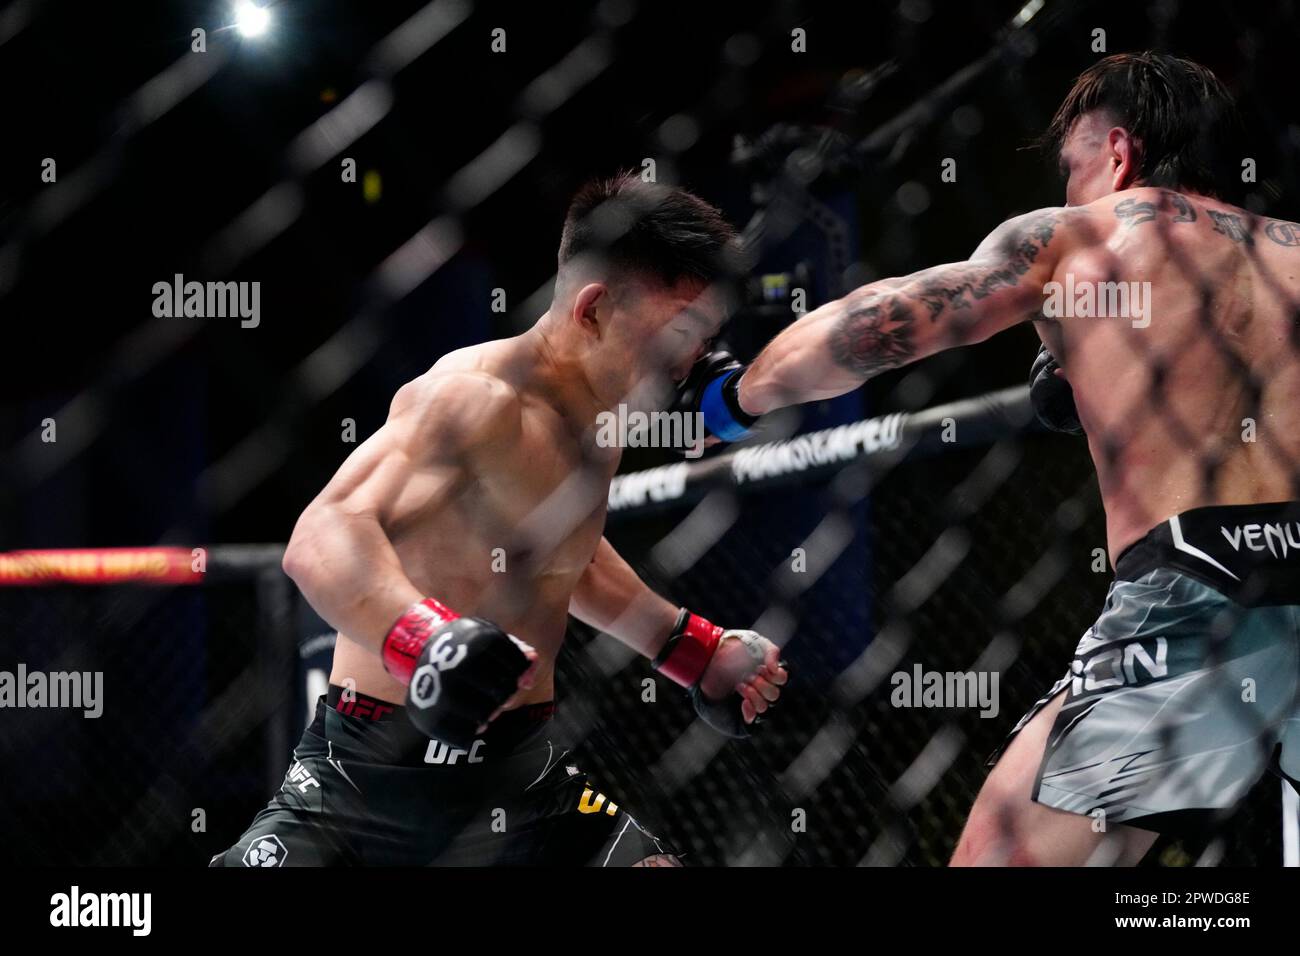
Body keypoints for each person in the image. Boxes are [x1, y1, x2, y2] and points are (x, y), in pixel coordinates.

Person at [678, 52, 1300, 866]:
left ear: (1118, 153)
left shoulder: (1081, 236)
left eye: (1073, 167)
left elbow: (875, 325)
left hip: (1197, 588)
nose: (1069, 188)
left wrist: (732, 399)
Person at [211, 173, 787, 867]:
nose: (693, 360)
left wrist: (691, 649)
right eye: (682, 333)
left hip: (522, 777)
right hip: (368, 779)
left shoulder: (601, 414)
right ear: (595, 309)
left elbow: (565, 554)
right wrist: (425, 641)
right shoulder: (474, 398)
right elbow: (324, 533)